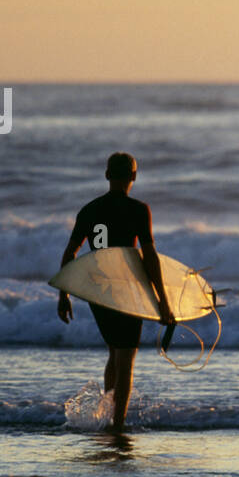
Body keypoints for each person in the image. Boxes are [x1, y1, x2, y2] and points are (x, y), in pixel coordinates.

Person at [57, 152, 172, 430]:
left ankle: (107, 417)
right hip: (126, 289)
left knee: (115, 352)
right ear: (133, 176)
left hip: (99, 291)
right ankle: (116, 425)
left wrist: (64, 295)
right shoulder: (138, 210)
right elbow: (150, 257)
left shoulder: (89, 210)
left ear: (107, 175)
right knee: (126, 356)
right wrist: (163, 301)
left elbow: (71, 253)